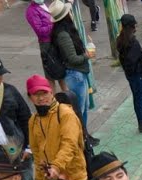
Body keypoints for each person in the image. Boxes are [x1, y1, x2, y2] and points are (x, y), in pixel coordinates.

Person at [27, 74, 89, 180]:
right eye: (36, 95)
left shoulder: (65, 114)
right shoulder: (33, 120)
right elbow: (36, 151)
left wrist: (56, 166)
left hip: (73, 179)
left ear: (51, 92)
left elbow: (70, 144)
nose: (41, 98)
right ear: (30, 97)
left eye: (44, 93)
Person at [47, 0, 94, 136]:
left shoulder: (65, 31)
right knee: (79, 110)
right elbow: (72, 58)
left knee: (83, 108)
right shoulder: (63, 35)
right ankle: (81, 138)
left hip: (79, 73)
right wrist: (86, 56)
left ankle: (85, 135)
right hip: (75, 75)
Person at [117, 15, 142, 133]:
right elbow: (133, 59)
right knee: (139, 98)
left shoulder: (120, 39)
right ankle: (141, 123)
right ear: (131, 26)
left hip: (130, 75)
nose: (135, 28)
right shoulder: (132, 42)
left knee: (138, 97)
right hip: (136, 74)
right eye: (134, 25)